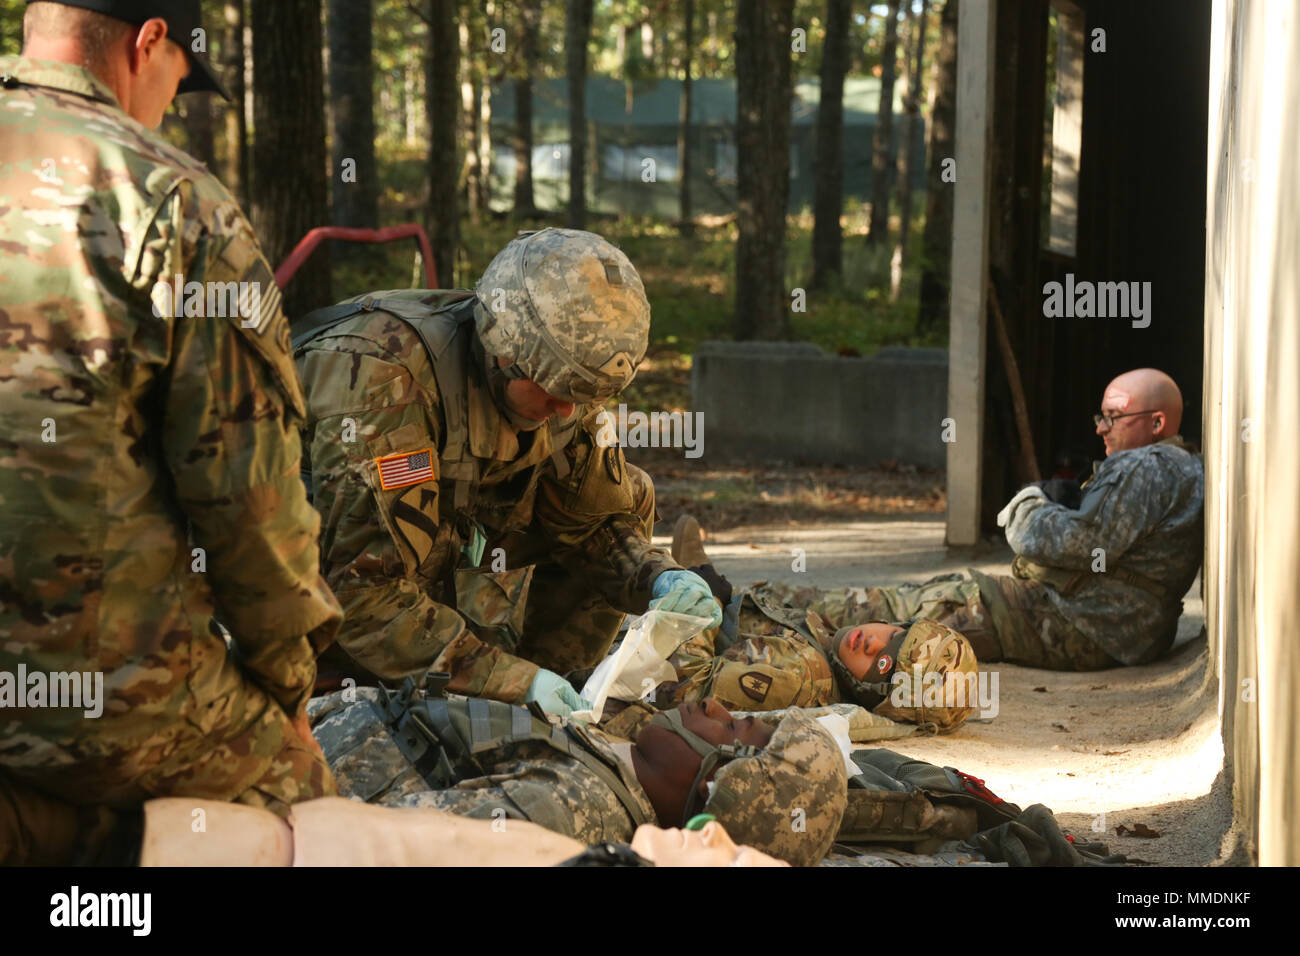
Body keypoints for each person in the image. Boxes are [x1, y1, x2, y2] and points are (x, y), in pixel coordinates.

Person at [0, 1, 341, 865]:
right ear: (148, 41)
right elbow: (248, 502)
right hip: (91, 694)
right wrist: (288, 685)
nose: (168, 109)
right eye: (178, 84)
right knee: (311, 819)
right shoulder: (168, 198)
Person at [294, 228, 719, 717]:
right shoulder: (382, 379)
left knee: (629, 494)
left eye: (582, 397)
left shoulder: (559, 375)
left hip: (439, 551)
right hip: (319, 587)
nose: (565, 412)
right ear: (502, 350)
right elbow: (365, 598)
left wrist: (660, 577)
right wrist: (513, 683)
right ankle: (503, 691)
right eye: (554, 391)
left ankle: (562, 705)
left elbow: (596, 527)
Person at [749, 368, 1205, 670]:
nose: (1102, 430)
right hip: (1110, 625)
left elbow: (1075, 543)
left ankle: (750, 607)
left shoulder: (1146, 465)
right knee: (923, 597)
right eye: (1101, 418)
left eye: (1114, 418)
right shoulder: (1181, 467)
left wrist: (1029, 502)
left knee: (903, 611)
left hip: (1083, 623)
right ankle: (760, 604)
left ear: (1157, 423)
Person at [308, 686, 847, 867]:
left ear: (716, 786)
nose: (712, 703)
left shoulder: (567, 810)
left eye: (732, 725)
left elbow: (383, 844)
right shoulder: (610, 773)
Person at [657, 521, 977, 732]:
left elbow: (684, 691)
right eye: (894, 636)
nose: (872, 643)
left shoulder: (801, 677)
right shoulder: (830, 653)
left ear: (876, 699)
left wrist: (703, 599)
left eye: (882, 663)